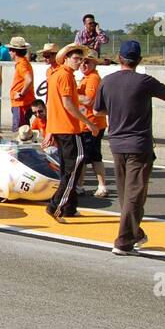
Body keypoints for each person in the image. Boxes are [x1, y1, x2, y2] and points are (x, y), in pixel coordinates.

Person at [94, 40, 165, 255]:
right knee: (135, 193)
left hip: (116, 143)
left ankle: (135, 232)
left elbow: (98, 111)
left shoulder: (107, 81)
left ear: (119, 58)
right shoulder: (144, 81)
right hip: (139, 144)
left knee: (125, 193)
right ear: (139, 60)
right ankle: (123, 241)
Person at [44, 44, 99, 223]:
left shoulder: (55, 75)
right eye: (75, 58)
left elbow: (53, 104)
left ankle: (69, 206)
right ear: (66, 58)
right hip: (68, 129)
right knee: (73, 169)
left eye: (80, 59)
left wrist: (50, 129)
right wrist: (89, 123)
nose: (79, 62)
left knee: (71, 168)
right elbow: (68, 104)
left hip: (60, 128)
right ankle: (56, 206)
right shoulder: (65, 75)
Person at [77, 50, 108, 198]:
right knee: (92, 156)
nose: (83, 64)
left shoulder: (93, 78)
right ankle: (88, 185)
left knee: (86, 156)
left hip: (91, 123)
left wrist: (71, 95)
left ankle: (84, 186)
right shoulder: (86, 77)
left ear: (94, 63)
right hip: (89, 123)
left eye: (87, 61)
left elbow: (89, 100)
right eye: (82, 61)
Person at [8, 36, 35, 130]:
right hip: (23, 103)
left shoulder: (22, 64)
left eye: (10, 50)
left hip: (21, 104)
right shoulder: (24, 63)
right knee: (24, 131)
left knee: (19, 131)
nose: (9, 52)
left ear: (14, 51)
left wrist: (21, 94)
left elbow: (29, 80)